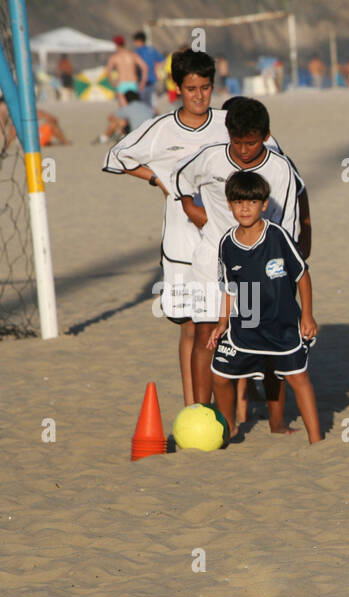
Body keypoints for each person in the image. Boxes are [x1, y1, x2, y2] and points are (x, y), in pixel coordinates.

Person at [103, 50, 230, 407]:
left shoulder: (226, 124)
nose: (199, 96)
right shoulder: (160, 129)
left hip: (224, 239)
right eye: (191, 88)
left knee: (227, 321)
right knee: (190, 325)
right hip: (180, 242)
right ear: (178, 88)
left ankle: (226, 405)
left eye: (205, 88)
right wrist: (156, 177)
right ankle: (193, 407)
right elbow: (116, 157)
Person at [175, 96, 308, 421]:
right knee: (206, 333)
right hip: (213, 259)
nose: (244, 150)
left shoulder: (280, 170)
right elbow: (181, 181)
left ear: (265, 136)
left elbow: (288, 224)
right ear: (228, 135)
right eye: (238, 142)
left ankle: (270, 419)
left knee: (259, 336)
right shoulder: (209, 158)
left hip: (257, 268)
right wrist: (192, 210)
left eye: (251, 143)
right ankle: (201, 416)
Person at [208, 170, 322, 443]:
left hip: (281, 325)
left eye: (251, 202)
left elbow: (302, 275)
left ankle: (317, 439)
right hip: (245, 324)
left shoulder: (277, 236)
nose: (244, 208)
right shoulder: (227, 243)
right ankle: (229, 429)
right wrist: (222, 323)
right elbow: (229, 287)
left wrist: (307, 315)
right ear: (229, 205)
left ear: (264, 204)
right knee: (220, 374)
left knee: (297, 378)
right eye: (238, 202)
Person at [133, 31, 164, 102]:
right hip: (153, 80)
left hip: (142, 81)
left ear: (138, 41)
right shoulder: (152, 50)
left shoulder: (138, 52)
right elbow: (162, 61)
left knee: (143, 104)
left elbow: (135, 66)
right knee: (152, 104)